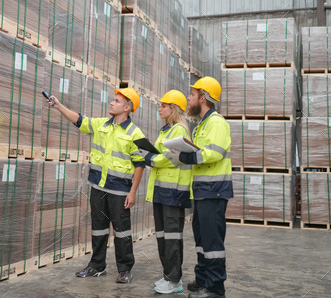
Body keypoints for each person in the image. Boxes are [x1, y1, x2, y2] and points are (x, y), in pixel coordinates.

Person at [47, 87, 146, 284]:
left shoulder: (136, 133)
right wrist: (58, 106)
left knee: (122, 231)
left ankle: (125, 269)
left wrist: (133, 192)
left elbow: (140, 164)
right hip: (99, 187)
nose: (112, 103)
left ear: (127, 107)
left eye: (117, 101)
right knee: (98, 228)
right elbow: (79, 120)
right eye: (113, 100)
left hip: (119, 190)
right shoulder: (102, 124)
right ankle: (96, 265)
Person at [133, 90, 193, 294]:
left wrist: (148, 158)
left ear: (173, 108)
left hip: (174, 193)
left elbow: (169, 157)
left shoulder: (179, 131)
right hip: (161, 191)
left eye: (163, 105)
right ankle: (168, 275)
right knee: (162, 236)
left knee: (172, 237)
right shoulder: (166, 130)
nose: (159, 108)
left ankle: (175, 279)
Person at [179, 77, 233, 298]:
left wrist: (188, 156)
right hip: (202, 191)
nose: (188, 99)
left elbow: (214, 152)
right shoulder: (201, 123)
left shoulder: (217, 122)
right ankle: (202, 279)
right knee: (202, 241)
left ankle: (215, 288)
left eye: (191, 95)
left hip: (214, 190)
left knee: (212, 241)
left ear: (202, 97)